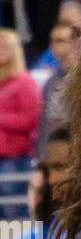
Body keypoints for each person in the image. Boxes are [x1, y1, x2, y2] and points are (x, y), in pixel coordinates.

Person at [0, 29, 41, 213]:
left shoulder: (24, 82)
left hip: (14, 160)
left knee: (13, 213)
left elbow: (31, 119)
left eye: (3, 47)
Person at [36, 19, 79, 153]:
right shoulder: (50, 82)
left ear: (74, 43)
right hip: (54, 151)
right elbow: (45, 124)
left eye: (59, 40)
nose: (53, 45)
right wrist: (42, 157)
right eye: (52, 40)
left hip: (78, 150)